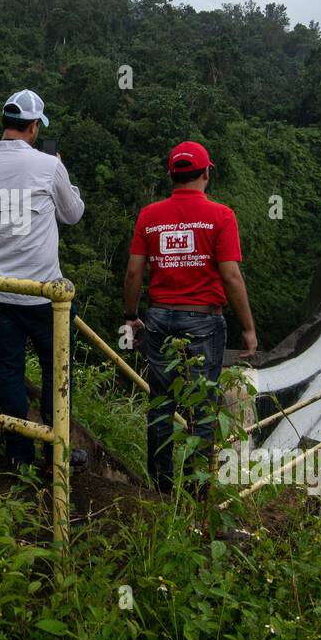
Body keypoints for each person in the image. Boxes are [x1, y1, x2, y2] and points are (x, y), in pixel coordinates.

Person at [0, 90, 85, 468]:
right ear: (34, 126)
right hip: (45, 297)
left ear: (6, 124)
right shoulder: (48, 166)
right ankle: (54, 453)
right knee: (57, 370)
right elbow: (72, 214)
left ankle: (19, 455)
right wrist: (63, 174)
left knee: (7, 372)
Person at [122, 141, 256, 493]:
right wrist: (248, 328)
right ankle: (197, 495)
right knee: (202, 411)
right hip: (203, 322)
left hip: (159, 320)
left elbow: (134, 273)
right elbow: (230, 276)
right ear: (206, 173)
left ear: (171, 175)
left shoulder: (149, 216)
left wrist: (131, 316)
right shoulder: (222, 216)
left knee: (161, 405)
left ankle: (161, 488)